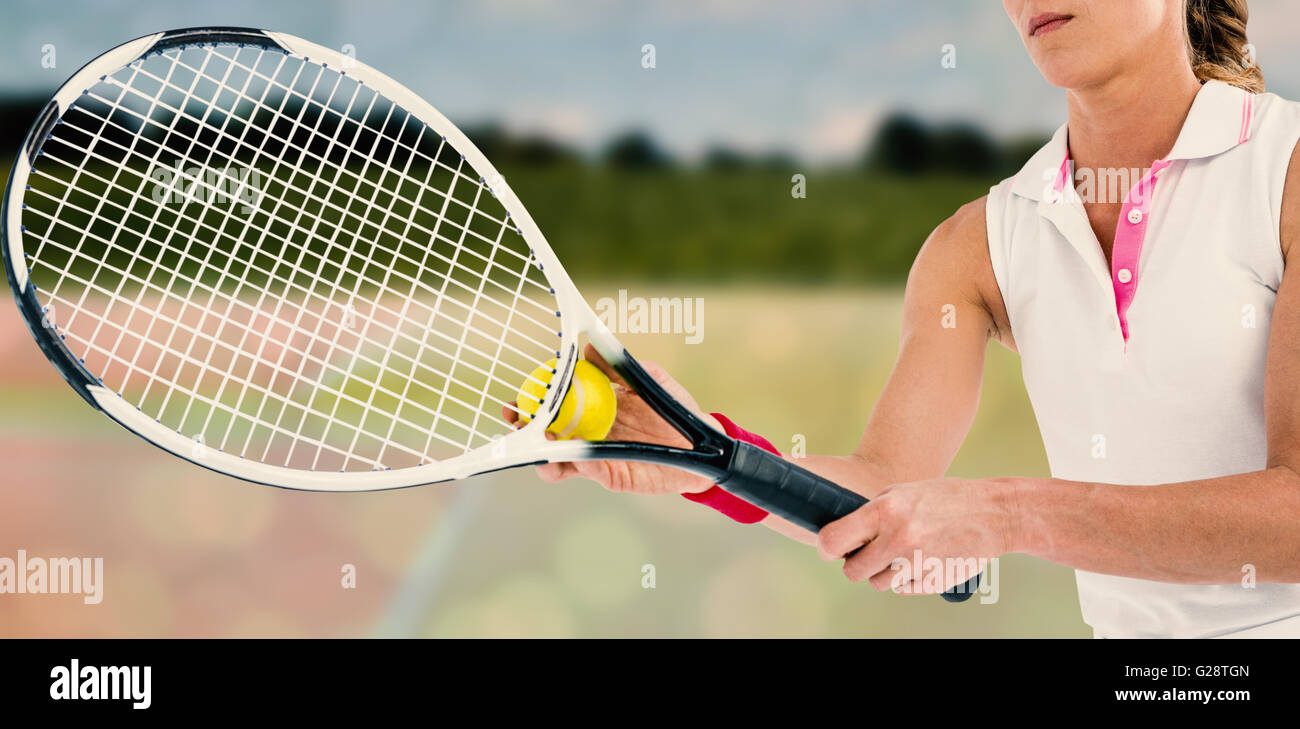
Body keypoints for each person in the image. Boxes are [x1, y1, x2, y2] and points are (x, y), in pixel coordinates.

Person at [526, 0, 1300, 638]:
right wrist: (705, 453)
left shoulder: (1284, 169)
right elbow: (885, 490)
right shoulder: (978, 245)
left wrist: (1008, 514)